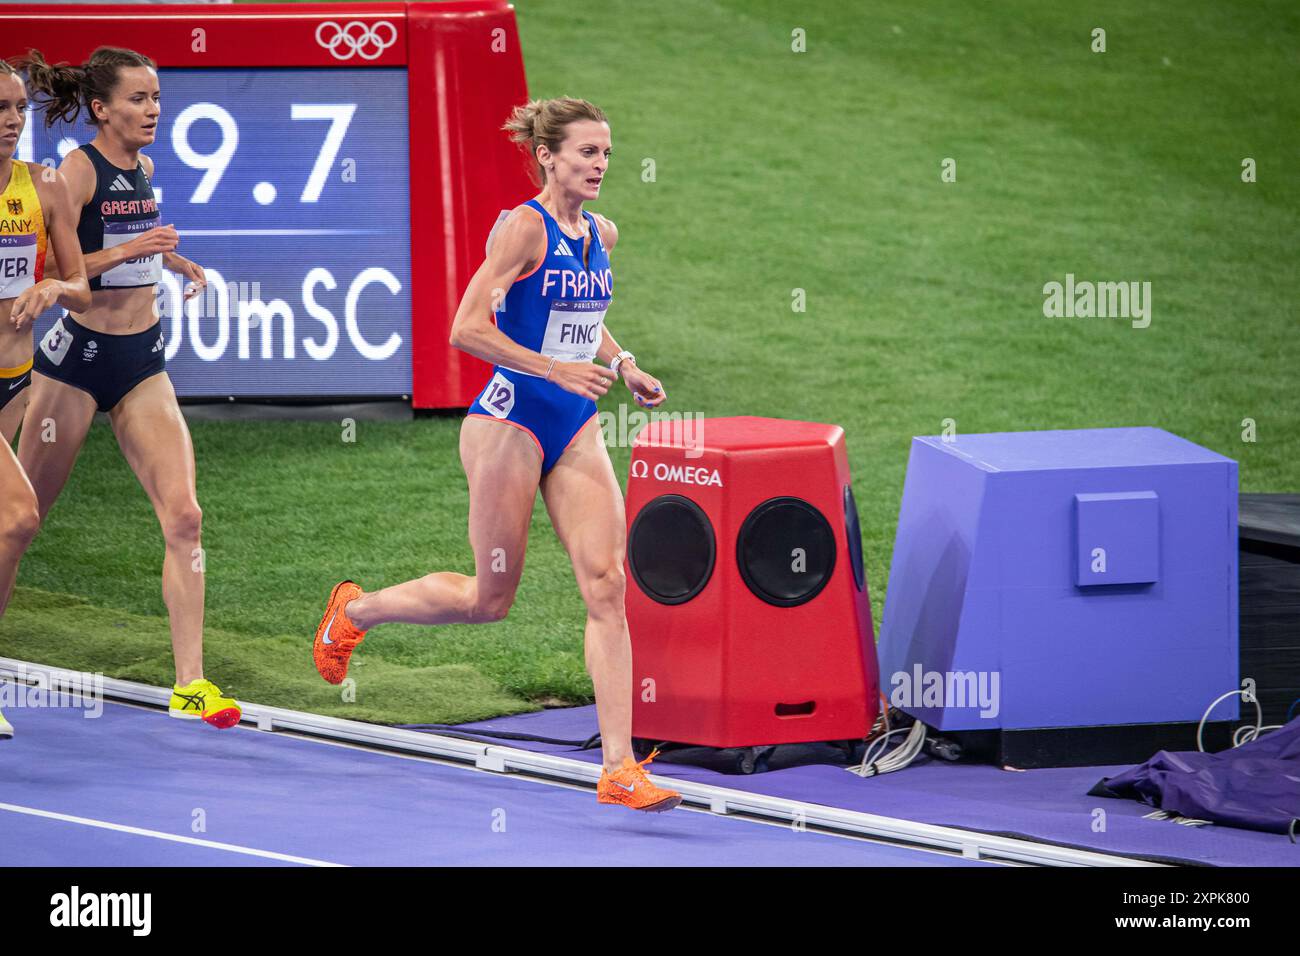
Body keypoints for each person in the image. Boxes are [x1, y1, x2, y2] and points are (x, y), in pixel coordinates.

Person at [313, 97, 680, 811]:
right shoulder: (522, 229)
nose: (600, 165)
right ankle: (357, 611)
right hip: (508, 424)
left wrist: (624, 362)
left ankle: (619, 768)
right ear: (548, 156)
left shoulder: (600, 232)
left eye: (605, 152)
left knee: (608, 583)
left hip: (573, 424)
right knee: (490, 600)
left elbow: (582, 318)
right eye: (585, 153)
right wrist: (553, 371)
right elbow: (465, 329)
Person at [16, 46, 239, 729]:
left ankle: (191, 684)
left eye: (157, 98)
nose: (154, 111)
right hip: (74, 362)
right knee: (17, 524)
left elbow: (136, 235)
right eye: (140, 100)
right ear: (101, 109)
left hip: (142, 360)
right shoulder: (74, 171)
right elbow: (57, 268)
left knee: (186, 517)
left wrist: (175, 258)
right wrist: (131, 253)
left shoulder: (140, 167)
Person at [0, 57, 93, 740]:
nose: (9, 122)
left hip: (14, 380)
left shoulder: (44, 187)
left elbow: (81, 284)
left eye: (18, 110)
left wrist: (50, 289)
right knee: (17, 519)